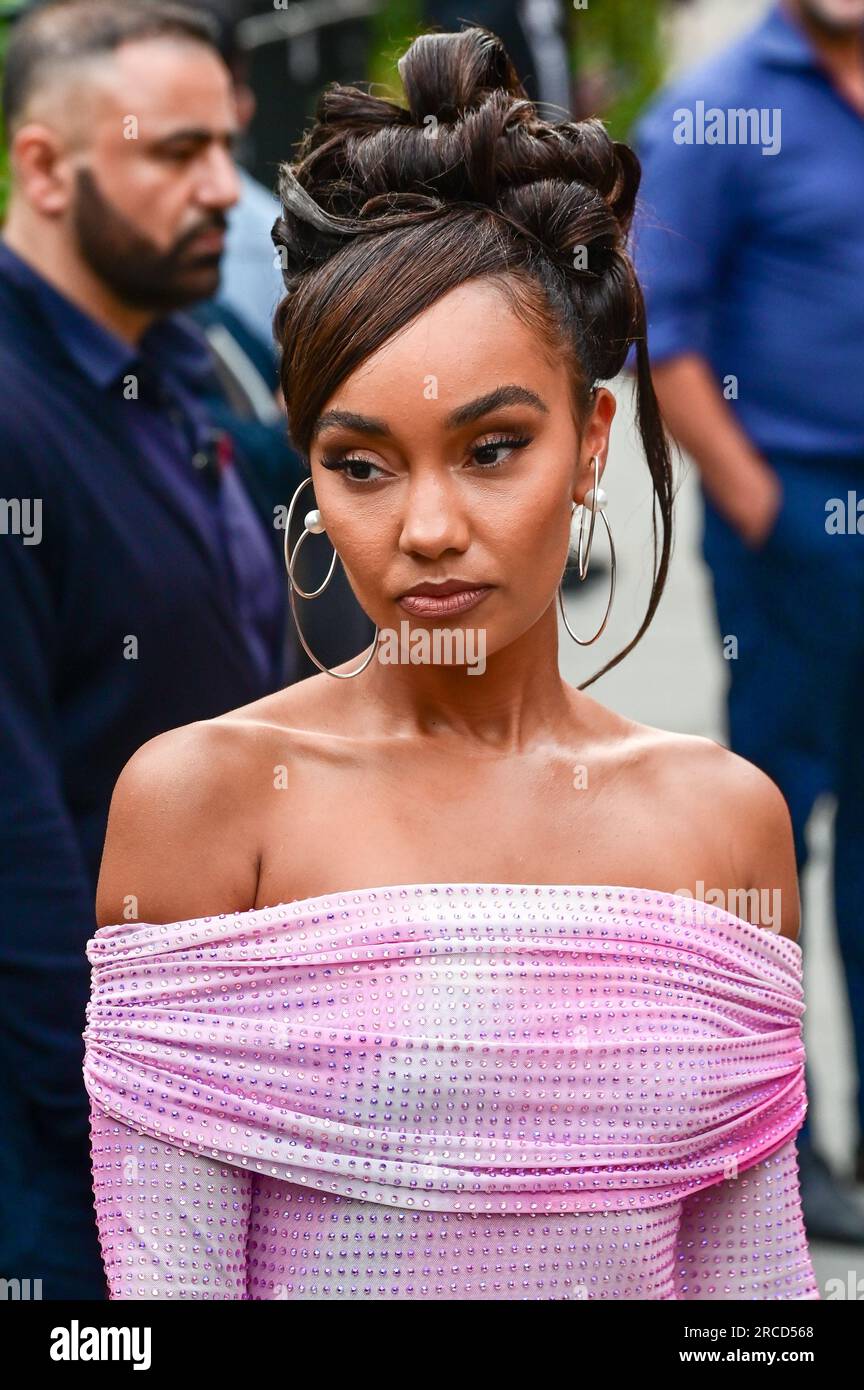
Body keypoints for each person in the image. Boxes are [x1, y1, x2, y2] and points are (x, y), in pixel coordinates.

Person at [82, 24, 818, 1300]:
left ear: (592, 441)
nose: (425, 529)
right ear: (307, 470)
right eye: (360, 464)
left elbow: (754, 1303)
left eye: (491, 449)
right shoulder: (202, 806)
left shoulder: (724, 829)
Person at [0, 0, 291, 1299]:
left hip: (220, 1071)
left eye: (226, 146)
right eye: (175, 153)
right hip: (84, 1134)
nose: (223, 188)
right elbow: (13, 833)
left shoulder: (162, 354)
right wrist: (111, 1123)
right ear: (46, 169)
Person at [632, 0, 864, 1242]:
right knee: (773, 826)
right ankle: (783, 1142)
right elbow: (662, 321)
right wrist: (763, 504)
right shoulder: (724, 108)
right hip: (797, 514)